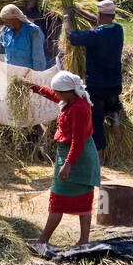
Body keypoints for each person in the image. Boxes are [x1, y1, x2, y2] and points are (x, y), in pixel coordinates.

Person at [29, 71, 101, 251]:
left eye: (60, 93)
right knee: (80, 196)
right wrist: (32, 87)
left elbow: (78, 140)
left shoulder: (78, 108)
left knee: (59, 197)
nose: (58, 96)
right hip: (73, 153)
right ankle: (83, 240)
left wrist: (67, 165)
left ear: (69, 91)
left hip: (78, 156)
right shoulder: (71, 99)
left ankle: (43, 240)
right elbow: (53, 94)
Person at [65, 0, 123, 156]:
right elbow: (98, 20)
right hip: (114, 83)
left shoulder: (93, 35)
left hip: (96, 86)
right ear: (113, 15)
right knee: (112, 102)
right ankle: (114, 115)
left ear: (99, 14)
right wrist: (78, 11)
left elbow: (70, 35)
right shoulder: (118, 30)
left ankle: (99, 159)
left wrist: (67, 16)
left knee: (96, 122)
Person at [0, 4, 47, 71]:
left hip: (27, 76)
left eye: (6, 20)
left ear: (16, 18)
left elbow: (38, 59)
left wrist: (37, 78)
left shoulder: (33, 31)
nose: (5, 24)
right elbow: (0, 52)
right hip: (10, 75)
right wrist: (3, 71)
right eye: (3, 21)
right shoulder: (4, 31)